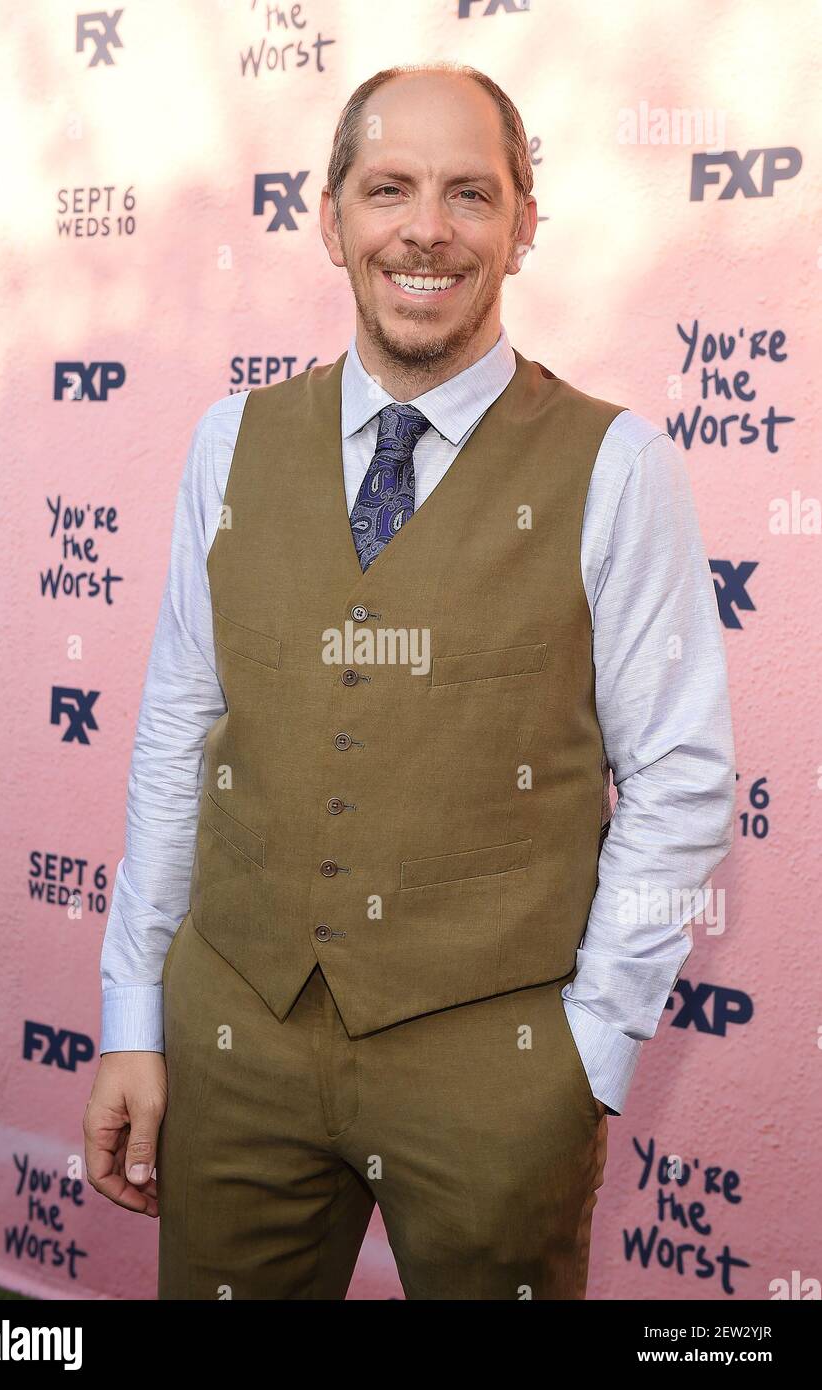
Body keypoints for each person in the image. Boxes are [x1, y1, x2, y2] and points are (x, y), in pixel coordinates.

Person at [83, 61, 736, 1300]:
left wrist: (587, 1056)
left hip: (495, 1070)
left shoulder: (618, 466)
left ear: (524, 225)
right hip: (238, 1038)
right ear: (329, 218)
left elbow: (684, 780)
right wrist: (132, 1016)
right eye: (388, 189)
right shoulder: (227, 443)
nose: (426, 229)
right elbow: (182, 727)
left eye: (470, 194)